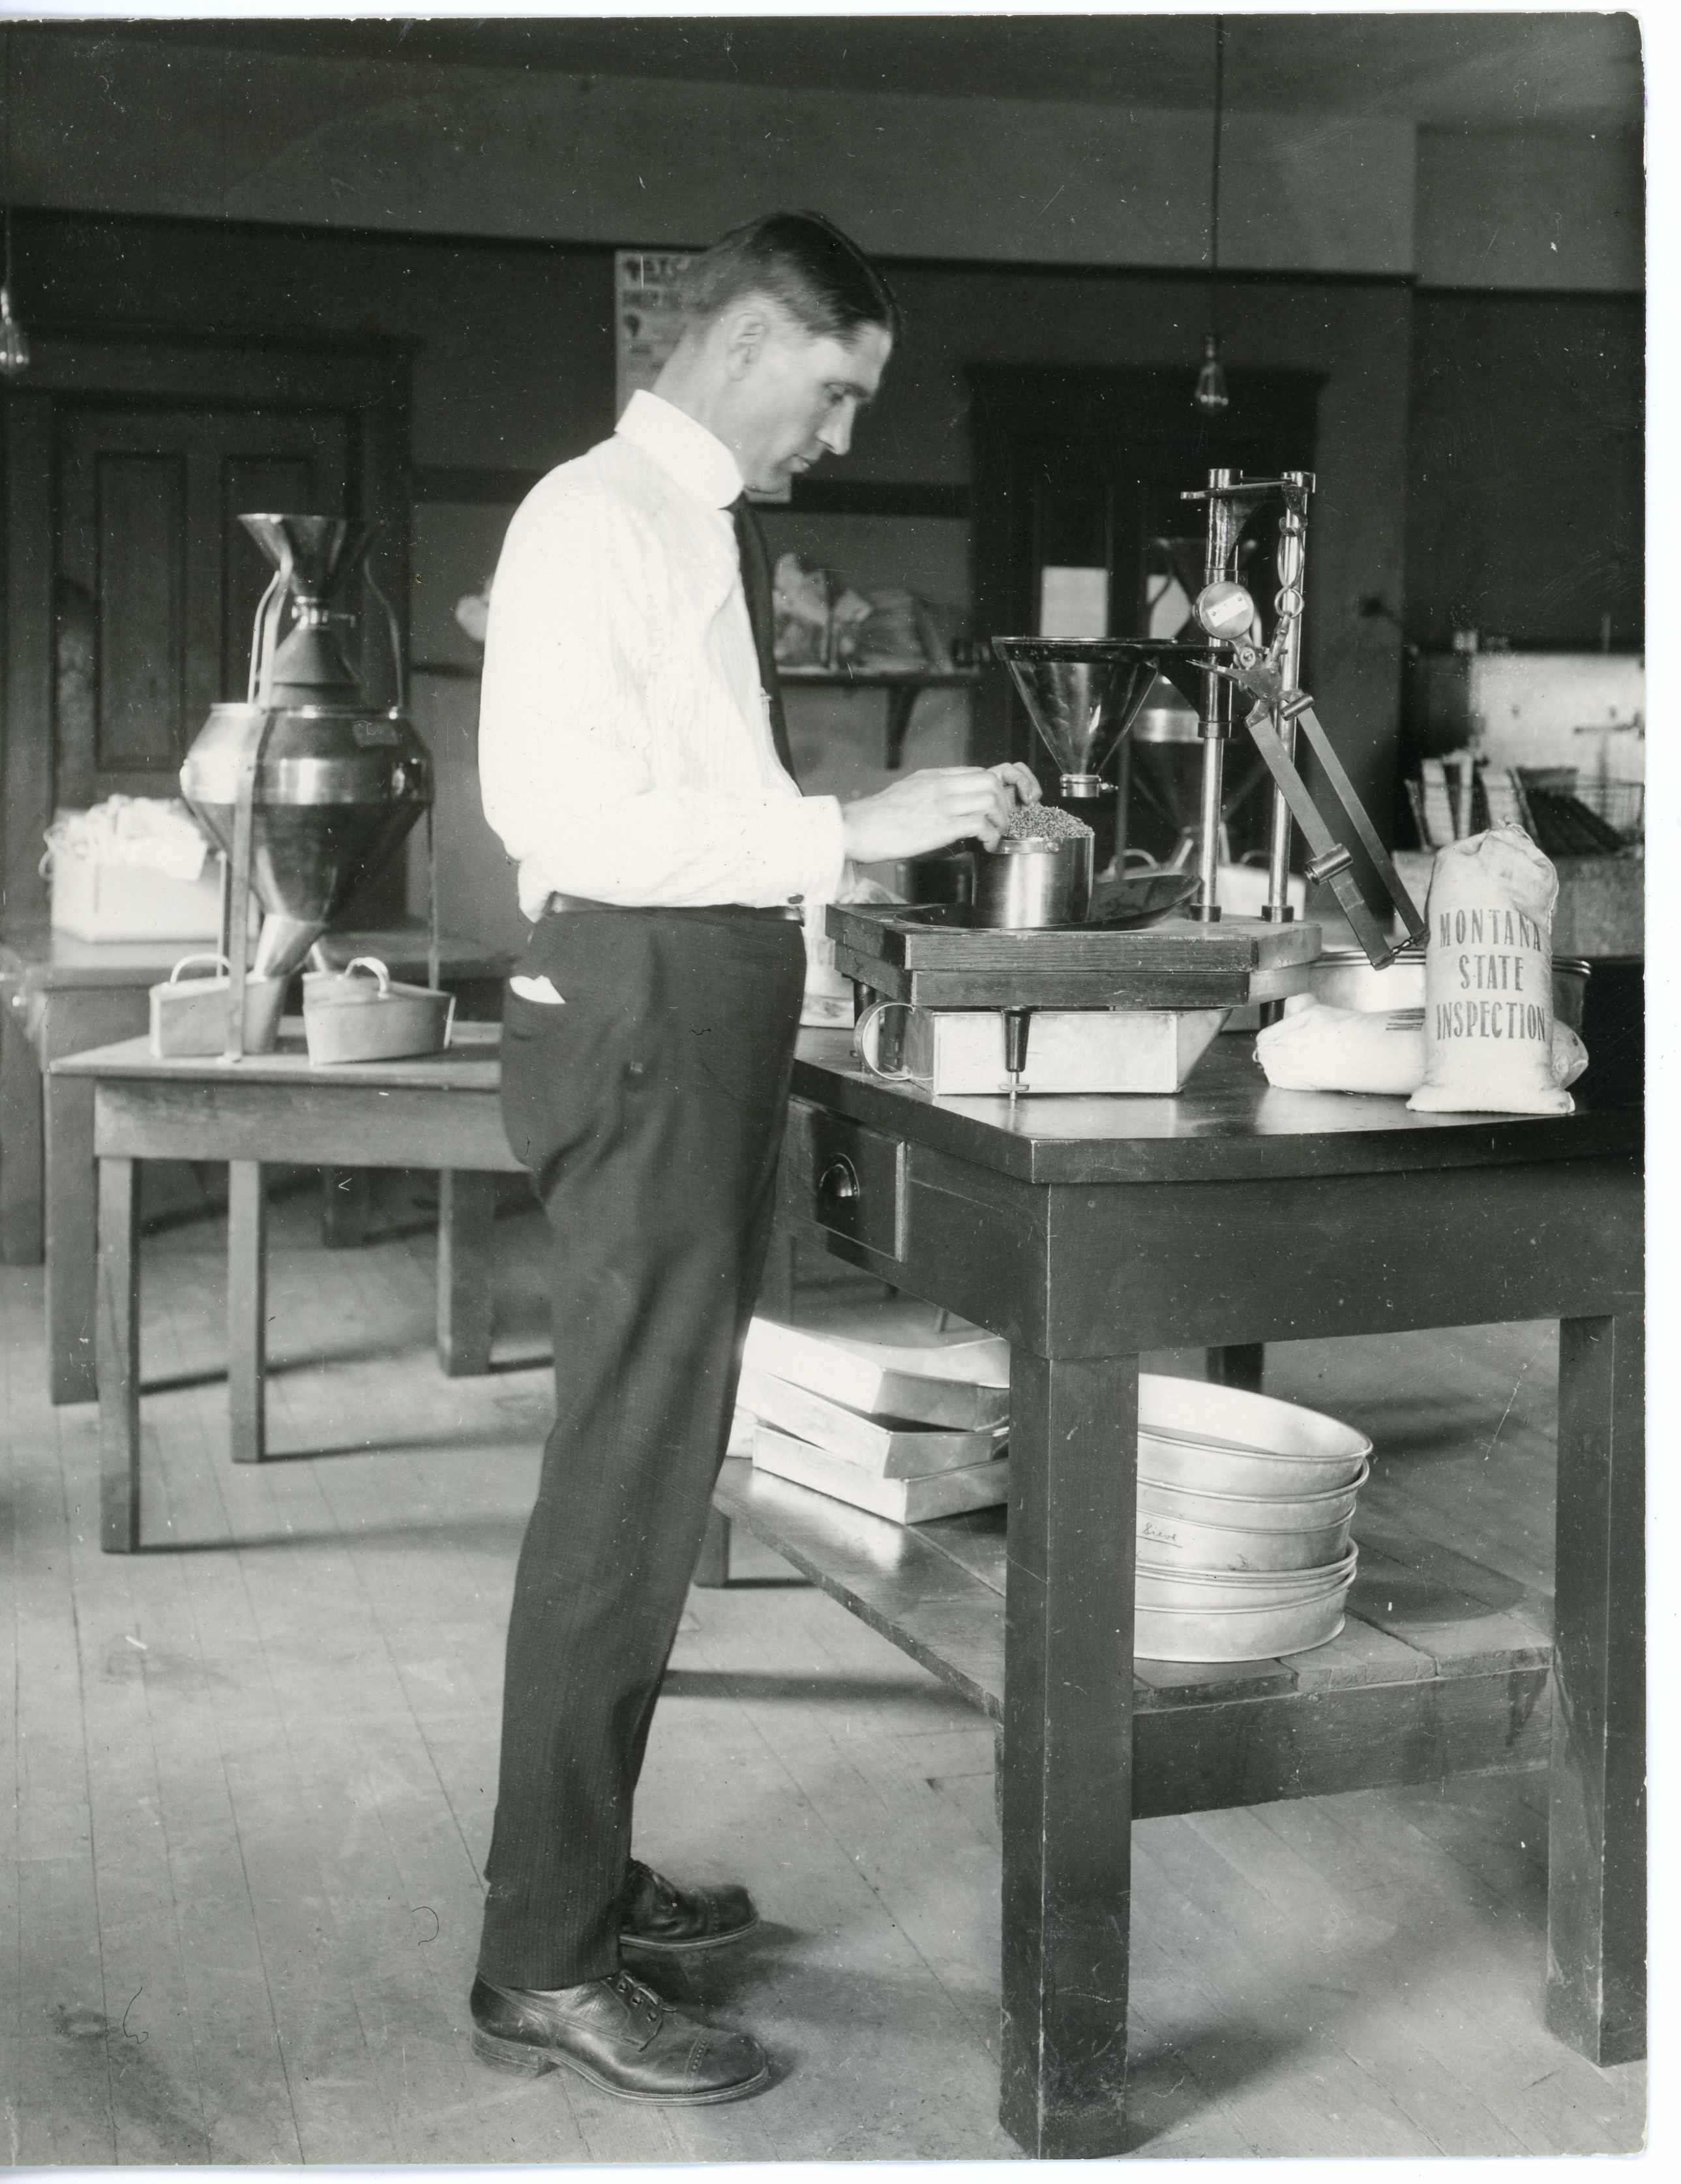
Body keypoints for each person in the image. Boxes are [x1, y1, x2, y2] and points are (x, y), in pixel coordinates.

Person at [471, 209, 1037, 2106]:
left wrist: (846, 850)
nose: (844, 432)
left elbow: (699, 806)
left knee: (647, 1468)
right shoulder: (594, 518)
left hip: (686, 1009)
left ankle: (569, 1879)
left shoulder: (688, 527)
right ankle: (543, 1962)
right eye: (836, 389)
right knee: (626, 1483)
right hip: (636, 1014)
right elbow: (570, 817)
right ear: (737, 344)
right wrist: (844, 825)